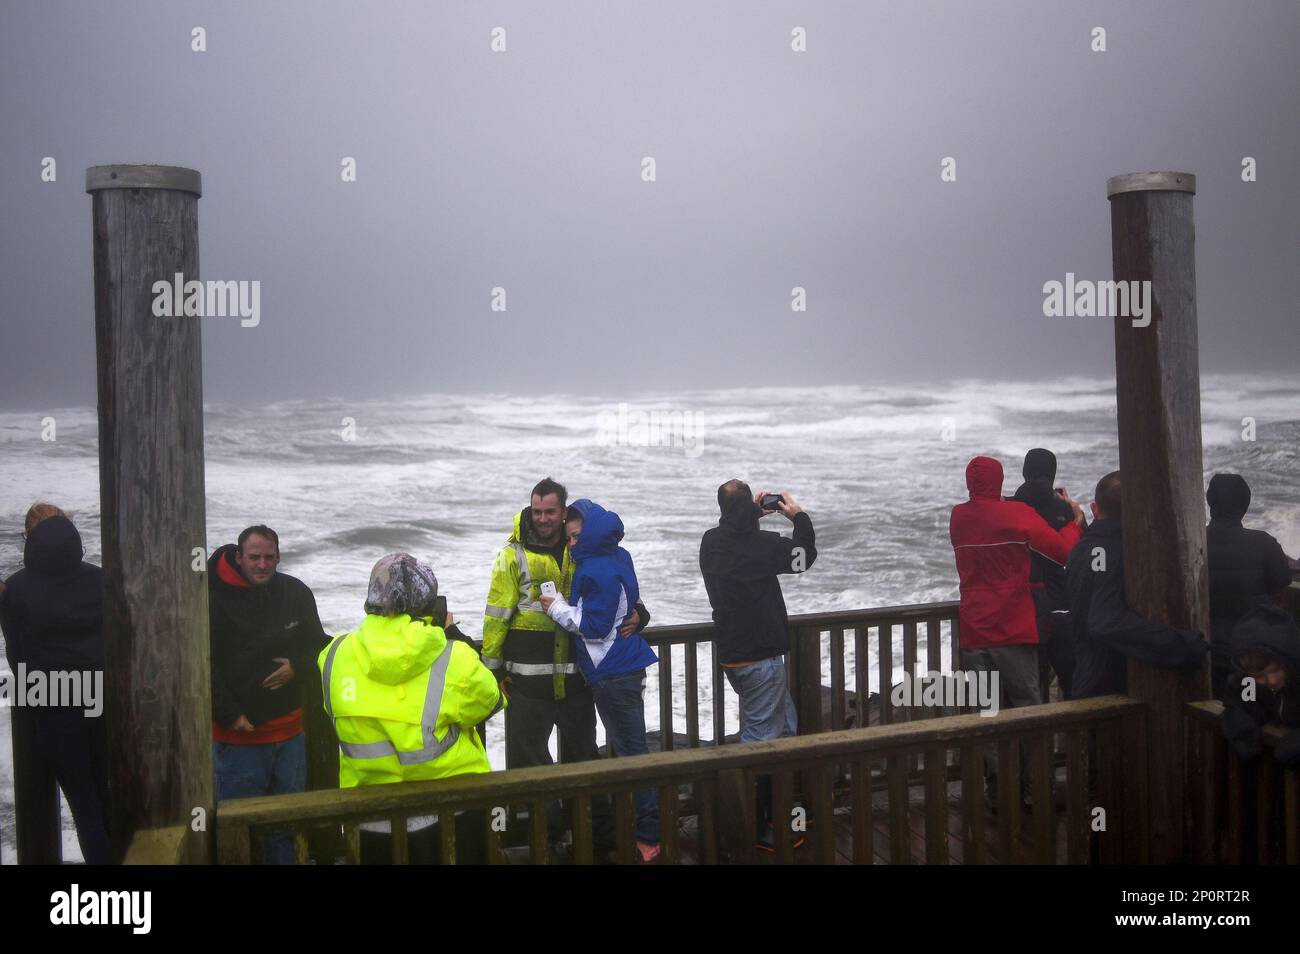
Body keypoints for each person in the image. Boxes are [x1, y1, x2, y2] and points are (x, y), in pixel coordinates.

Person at [319, 553, 503, 863]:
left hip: (368, 815)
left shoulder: (333, 654)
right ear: (426, 602)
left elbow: (332, 709)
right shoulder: (451, 656)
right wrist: (451, 635)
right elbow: (492, 700)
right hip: (451, 810)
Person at [481, 477, 617, 850]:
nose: (542, 518)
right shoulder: (512, 554)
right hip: (526, 684)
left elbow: (612, 591)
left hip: (577, 680)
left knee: (582, 762)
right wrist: (493, 669)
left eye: (550, 511)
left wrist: (639, 611)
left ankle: (593, 842)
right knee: (533, 770)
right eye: (537, 511)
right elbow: (496, 615)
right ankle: (551, 841)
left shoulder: (582, 548)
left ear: (563, 511)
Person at [949, 456, 1084, 804]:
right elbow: (1066, 552)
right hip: (1014, 630)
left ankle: (998, 792)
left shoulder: (958, 517)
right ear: (1000, 480)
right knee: (1030, 713)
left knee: (987, 715)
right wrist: (1073, 520)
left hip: (975, 631)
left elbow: (986, 512)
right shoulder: (1018, 515)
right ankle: (1032, 791)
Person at [699, 480, 816, 852]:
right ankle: (753, 828)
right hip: (761, 659)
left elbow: (736, 534)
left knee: (784, 731)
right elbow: (803, 558)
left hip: (735, 656)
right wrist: (797, 517)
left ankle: (782, 812)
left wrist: (751, 513)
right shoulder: (763, 545)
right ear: (748, 508)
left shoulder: (710, 542)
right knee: (760, 746)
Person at [541, 499, 661, 862]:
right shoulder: (618, 556)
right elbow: (628, 603)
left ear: (591, 532)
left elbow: (593, 628)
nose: (572, 543)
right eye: (569, 537)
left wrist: (555, 607)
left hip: (612, 673)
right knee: (630, 750)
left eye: (577, 536)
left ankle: (649, 838)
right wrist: (638, 614)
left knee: (632, 755)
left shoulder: (594, 571)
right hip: (625, 666)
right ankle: (640, 829)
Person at [208, 524, 330, 864]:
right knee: (239, 831)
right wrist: (229, 713)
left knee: (286, 826)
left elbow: (321, 647)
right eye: (254, 557)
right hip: (239, 739)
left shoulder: (294, 592)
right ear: (238, 557)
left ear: (278, 557)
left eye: (269, 557)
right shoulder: (212, 598)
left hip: (290, 733)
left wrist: (299, 667)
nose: (262, 565)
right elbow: (201, 662)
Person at [0, 505, 112, 864]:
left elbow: (17, 653)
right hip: (103, 697)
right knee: (110, 795)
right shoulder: (102, 579)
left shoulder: (15, 589)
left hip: (53, 707)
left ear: (31, 542)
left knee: (85, 805)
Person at [1065, 471, 1207, 700]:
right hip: (1114, 686)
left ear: (1094, 508)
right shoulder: (1123, 552)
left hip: (1087, 675)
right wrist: (1182, 645)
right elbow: (1105, 622)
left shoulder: (1082, 549)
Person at [1205, 473, 1293, 697]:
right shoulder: (1264, 543)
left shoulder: (1192, 539)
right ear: (1245, 505)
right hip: (1252, 655)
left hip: (1203, 649)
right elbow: (1281, 590)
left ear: (1210, 502)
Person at [1009, 448, 1079, 698]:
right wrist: (1076, 518)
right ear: (1053, 472)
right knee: (1071, 683)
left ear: (1025, 471)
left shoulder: (1009, 508)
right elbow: (1078, 555)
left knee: (1028, 686)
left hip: (1019, 609)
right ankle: (1074, 732)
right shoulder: (1064, 511)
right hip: (1060, 605)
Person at [1221, 604, 1300, 765]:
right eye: (1259, 676)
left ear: (1288, 659)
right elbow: (1241, 701)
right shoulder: (1248, 682)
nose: (1271, 681)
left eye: (1276, 669)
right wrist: (1242, 729)